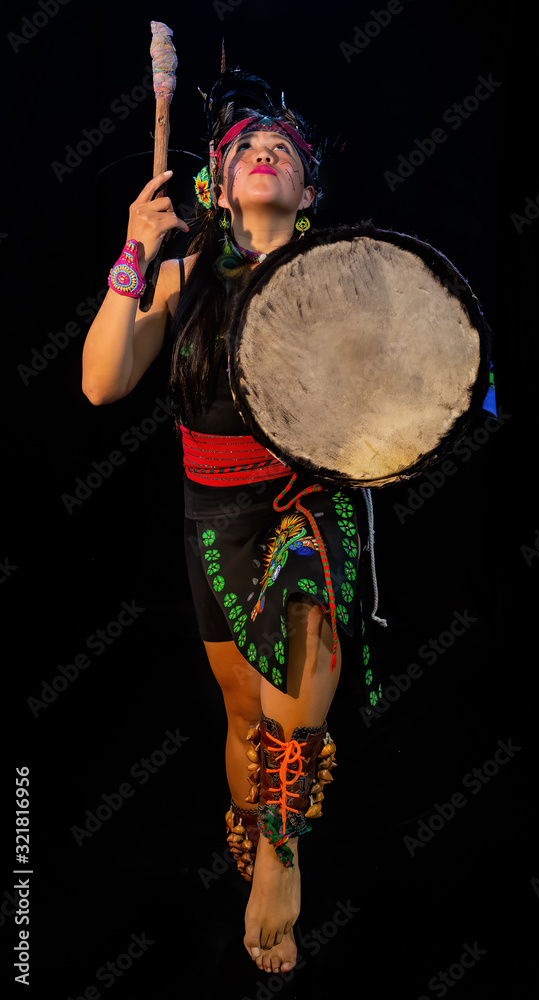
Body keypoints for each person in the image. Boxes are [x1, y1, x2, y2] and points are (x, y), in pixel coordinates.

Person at [82, 65, 376, 976]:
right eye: (248, 145)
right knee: (247, 715)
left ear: (308, 191)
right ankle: (255, 839)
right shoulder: (179, 274)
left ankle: (280, 857)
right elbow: (100, 381)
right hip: (214, 515)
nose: (265, 152)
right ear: (217, 180)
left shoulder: (343, 278)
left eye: (283, 150)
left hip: (307, 503)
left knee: (303, 647)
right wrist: (134, 251)